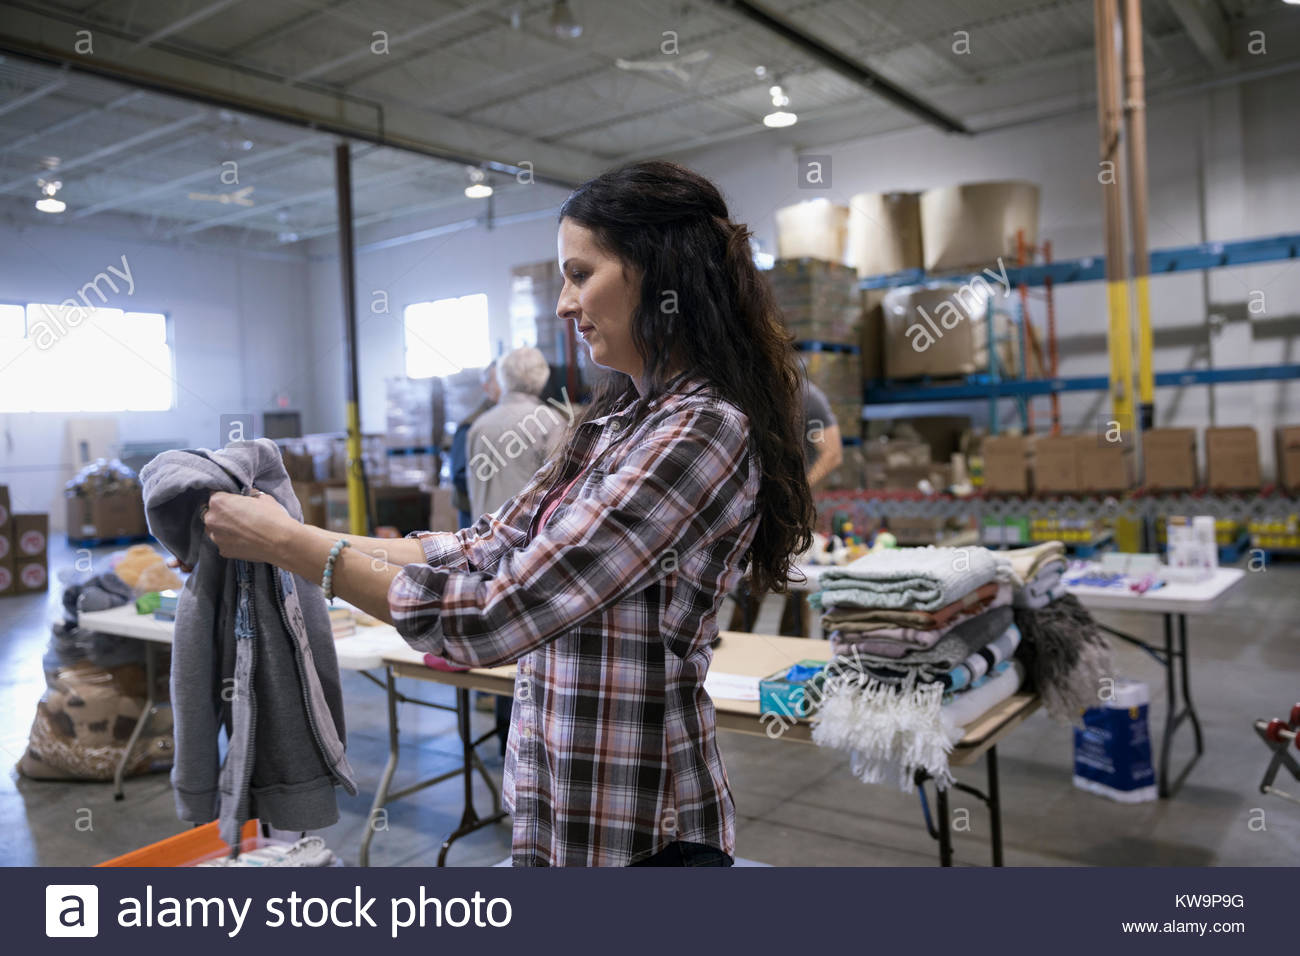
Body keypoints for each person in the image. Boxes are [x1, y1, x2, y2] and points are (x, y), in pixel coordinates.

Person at [201, 160, 814, 867]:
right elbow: (482, 547)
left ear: (660, 271)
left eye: (580, 274)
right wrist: (290, 530)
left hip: (643, 833)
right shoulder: (612, 423)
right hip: (556, 815)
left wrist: (292, 551)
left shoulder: (702, 430)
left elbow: (495, 612)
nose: (562, 303)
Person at [466, 345, 564, 754]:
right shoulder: (550, 421)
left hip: (481, 550)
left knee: (494, 647)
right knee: (528, 658)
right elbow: (562, 498)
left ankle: (505, 734)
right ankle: (526, 746)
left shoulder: (478, 425)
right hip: (530, 557)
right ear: (540, 378)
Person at [728, 377, 841, 634]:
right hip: (757, 502)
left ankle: (792, 648)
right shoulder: (751, 392)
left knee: (795, 580)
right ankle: (738, 645)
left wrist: (798, 488)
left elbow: (832, 452)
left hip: (793, 509)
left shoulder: (808, 397)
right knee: (750, 579)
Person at [449, 361, 499, 529]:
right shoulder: (470, 426)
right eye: (499, 380)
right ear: (486, 387)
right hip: (472, 512)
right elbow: (459, 474)